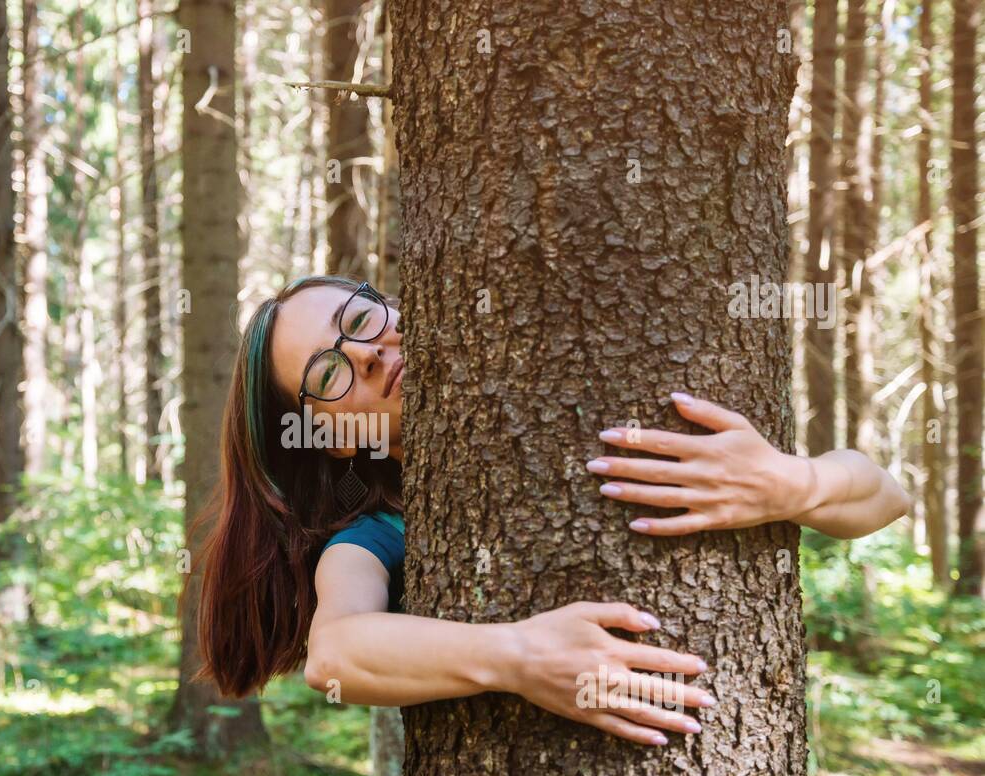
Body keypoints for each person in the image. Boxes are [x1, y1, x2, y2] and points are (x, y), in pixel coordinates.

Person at [187, 275, 911, 746]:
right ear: (329, 435)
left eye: (360, 316)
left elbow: (886, 492)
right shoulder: (378, 531)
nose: (369, 352)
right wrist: (519, 655)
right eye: (329, 370)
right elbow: (337, 652)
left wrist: (792, 483)